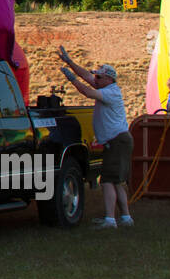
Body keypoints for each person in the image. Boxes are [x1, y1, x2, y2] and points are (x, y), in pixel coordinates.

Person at [57, 46, 133, 228]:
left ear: (109, 79)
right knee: (116, 181)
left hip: (116, 141)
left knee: (107, 180)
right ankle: (125, 217)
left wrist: (72, 79)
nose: (95, 79)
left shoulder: (111, 92)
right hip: (117, 141)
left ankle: (109, 219)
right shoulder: (108, 87)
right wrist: (69, 62)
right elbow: (87, 77)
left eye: (99, 77)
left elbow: (88, 92)